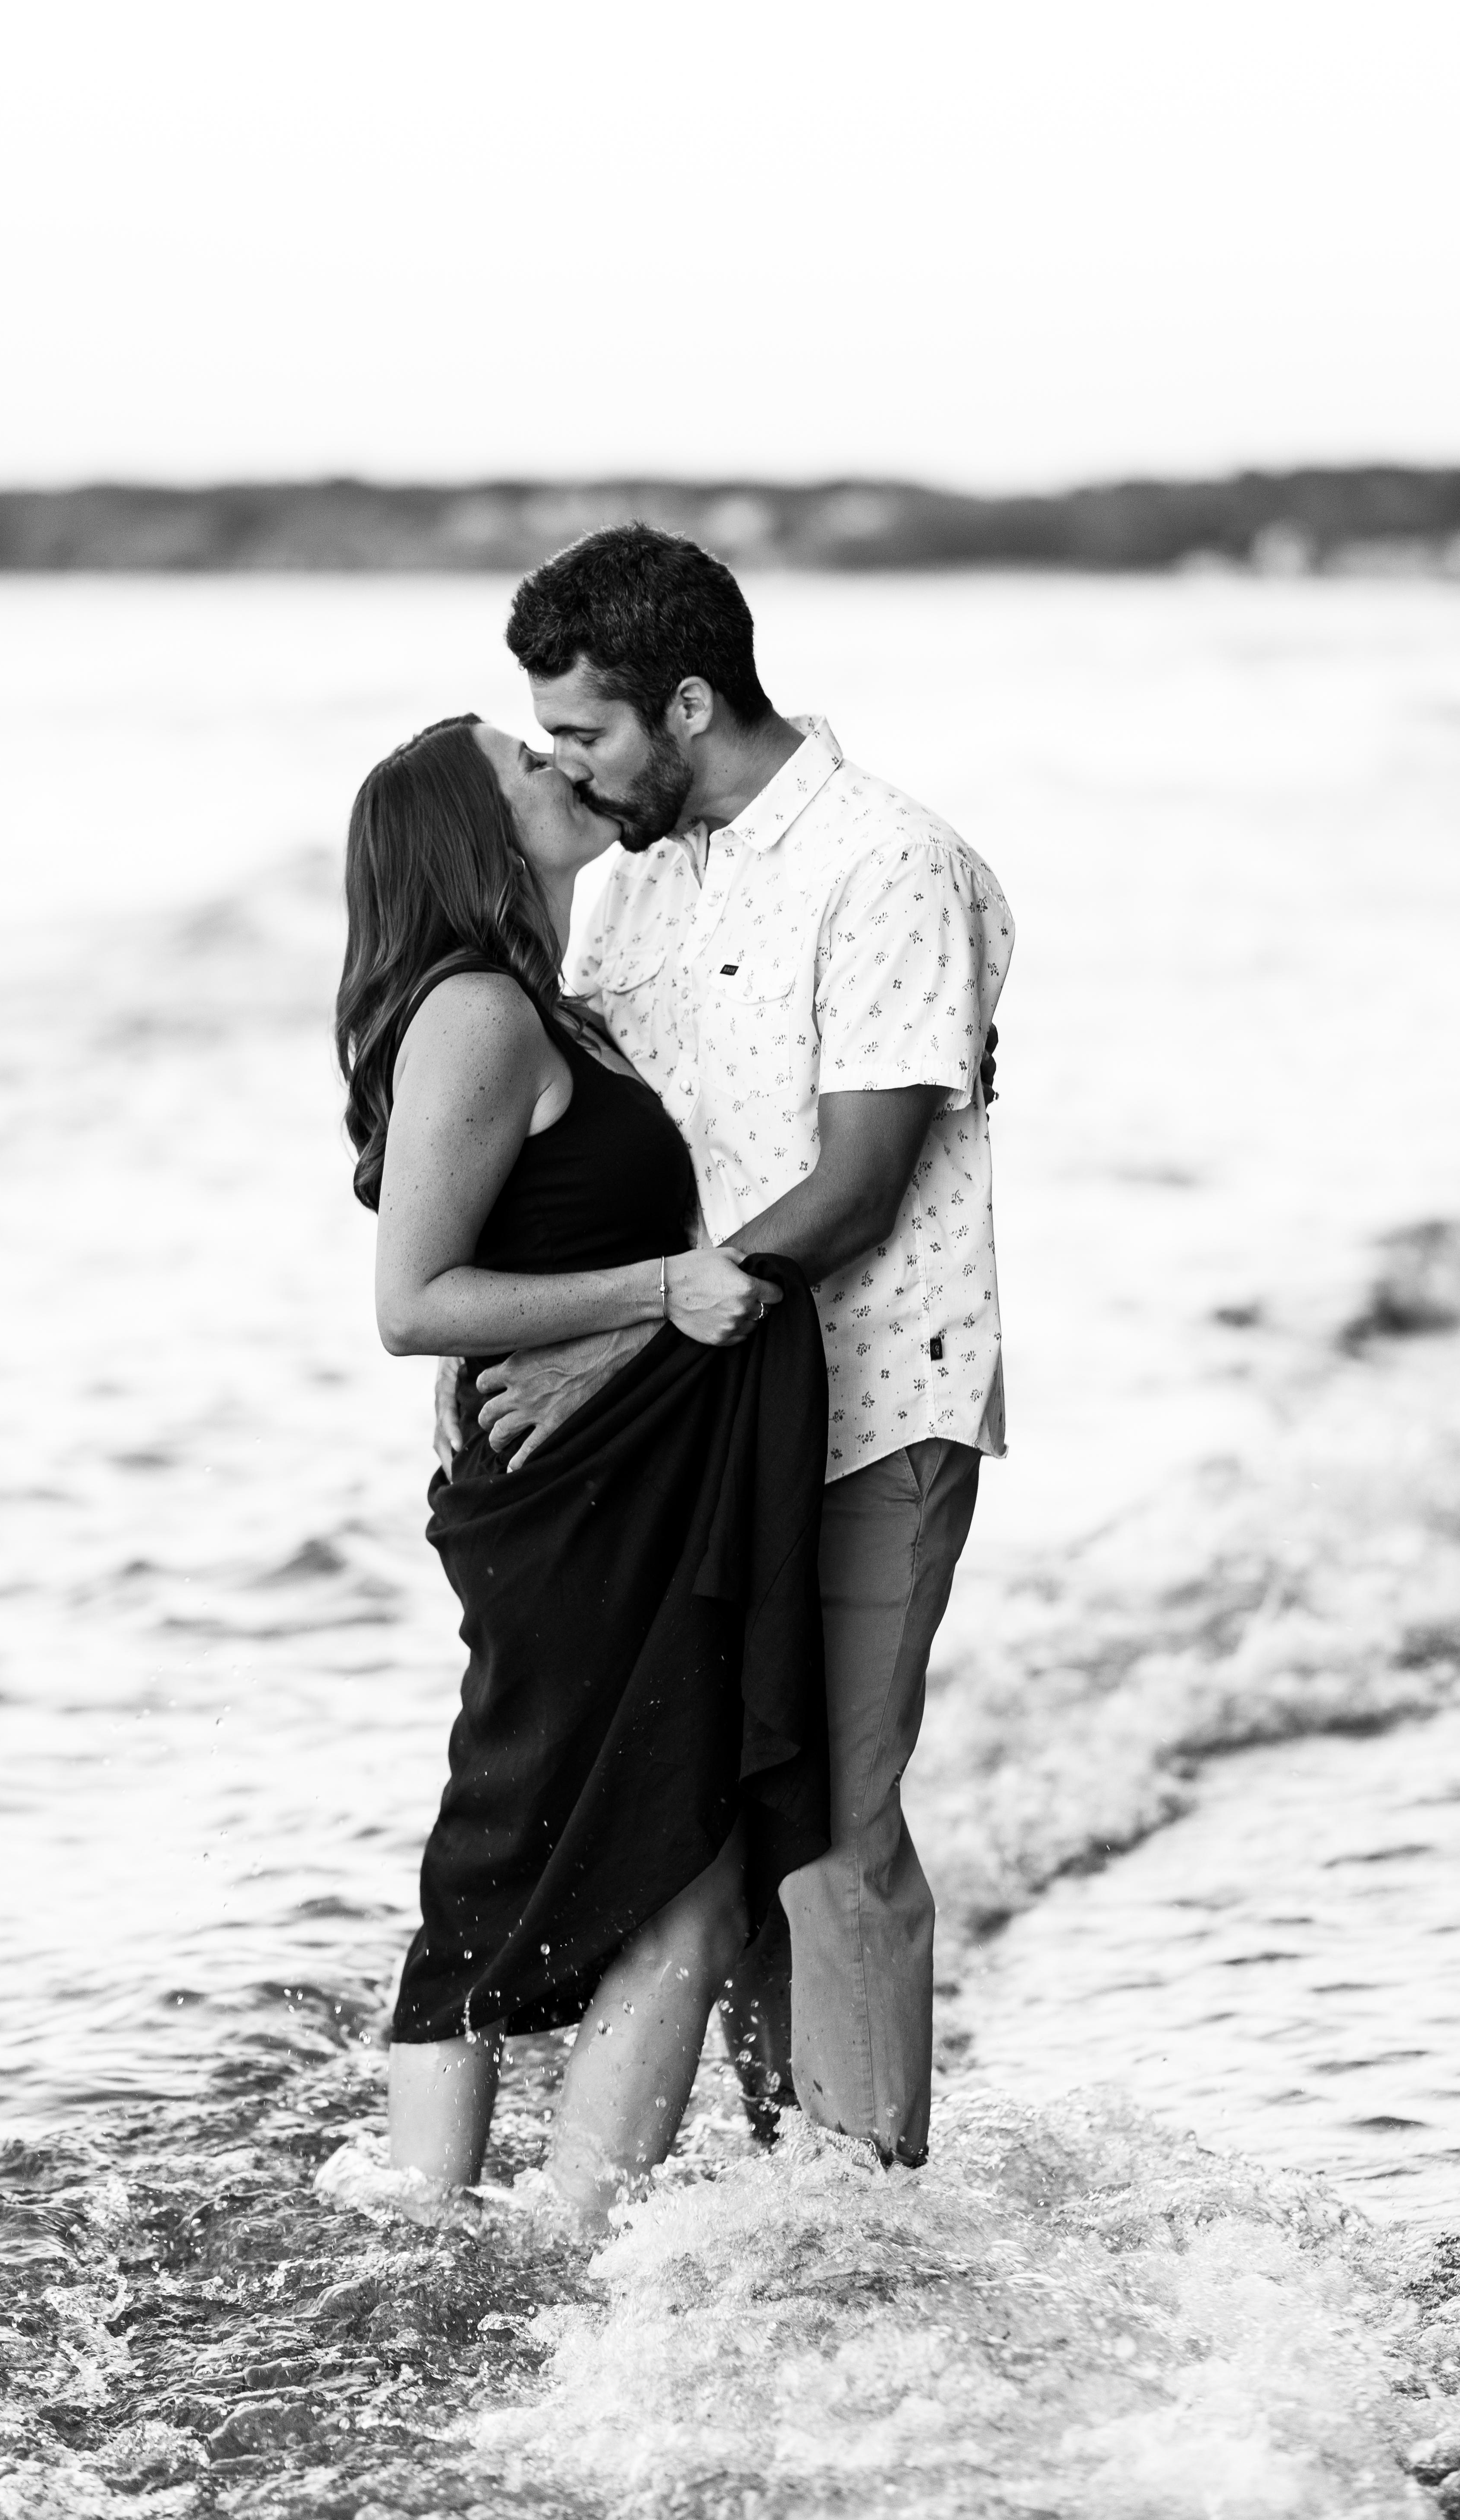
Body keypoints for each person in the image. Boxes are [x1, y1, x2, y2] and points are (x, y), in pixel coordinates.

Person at [457, 525, 1014, 2171]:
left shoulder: (890, 862)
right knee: (698, 1813)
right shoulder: (623, 887)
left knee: (828, 1825)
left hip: (866, 1405)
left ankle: (856, 2224)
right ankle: (776, 2176)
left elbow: (852, 1189)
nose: (570, 767)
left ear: (689, 703)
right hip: (677, 1423)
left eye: (588, 735)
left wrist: (615, 1338)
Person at [332, 712, 831, 2222]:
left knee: (560, 1832)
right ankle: (552, 2260)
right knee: (653, 1864)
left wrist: (655, 1288)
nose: (565, 771)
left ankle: (477, 2238)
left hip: (622, 1467)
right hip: (574, 1496)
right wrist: (665, 1292)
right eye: (528, 767)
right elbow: (415, 1304)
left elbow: (536, 1243)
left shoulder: (551, 1003)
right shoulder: (479, 1012)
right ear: (477, 838)